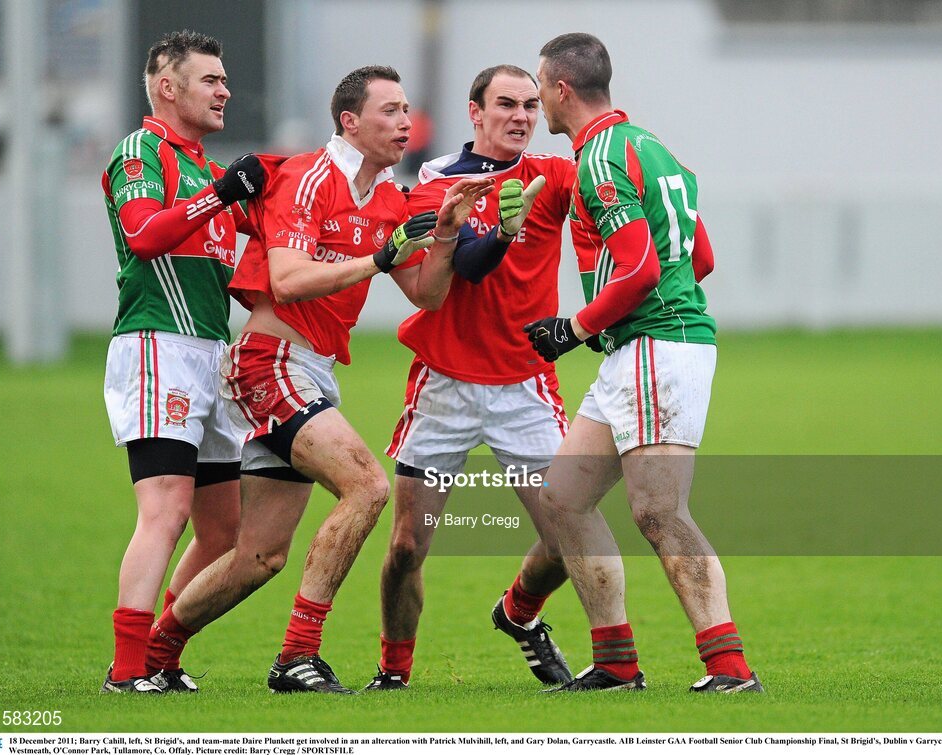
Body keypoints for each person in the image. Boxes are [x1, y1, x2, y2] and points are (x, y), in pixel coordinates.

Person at [142, 65, 494, 695]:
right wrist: (377, 259)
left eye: (408, 110)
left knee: (260, 557)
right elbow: (287, 280)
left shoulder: (390, 199)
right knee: (366, 485)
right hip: (267, 362)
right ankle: (296, 657)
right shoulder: (309, 177)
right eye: (389, 111)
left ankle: (158, 649)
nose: (405, 122)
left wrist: (444, 234)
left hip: (312, 372)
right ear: (349, 121)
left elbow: (427, 294)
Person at [528, 33, 762, 693]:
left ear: (561, 89)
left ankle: (730, 667)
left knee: (659, 510)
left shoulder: (599, 158)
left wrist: (574, 327)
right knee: (565, 498)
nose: (539, 98)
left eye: (541, 86)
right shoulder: (653, 149)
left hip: (658, 344)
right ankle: (616, 661)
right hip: (639, 347)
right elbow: (701, 258)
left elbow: (641, 267)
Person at [366, 65, 581, 691]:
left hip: (525, 385)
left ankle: (518, 612)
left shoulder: (553, 175)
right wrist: (509, 231)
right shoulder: (439, 182)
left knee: (570, 543)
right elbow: (469, 264)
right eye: (506, 104)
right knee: (407, 547)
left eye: (531, 106)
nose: (520, 116)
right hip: (446, 385)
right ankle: (393, 673)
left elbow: (613, 178)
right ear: (475, 111)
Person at [100, 30, 265, 693]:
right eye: (210, 80)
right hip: (156, 346)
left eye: (226, 80)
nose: (224, 90)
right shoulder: (142, 150)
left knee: (224, 529)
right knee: (164, 509)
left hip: (211, 357)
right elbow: (143, 235)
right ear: (168, 88)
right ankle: (126, 669)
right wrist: (223, 194)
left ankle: (161, 653)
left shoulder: (205, 168)